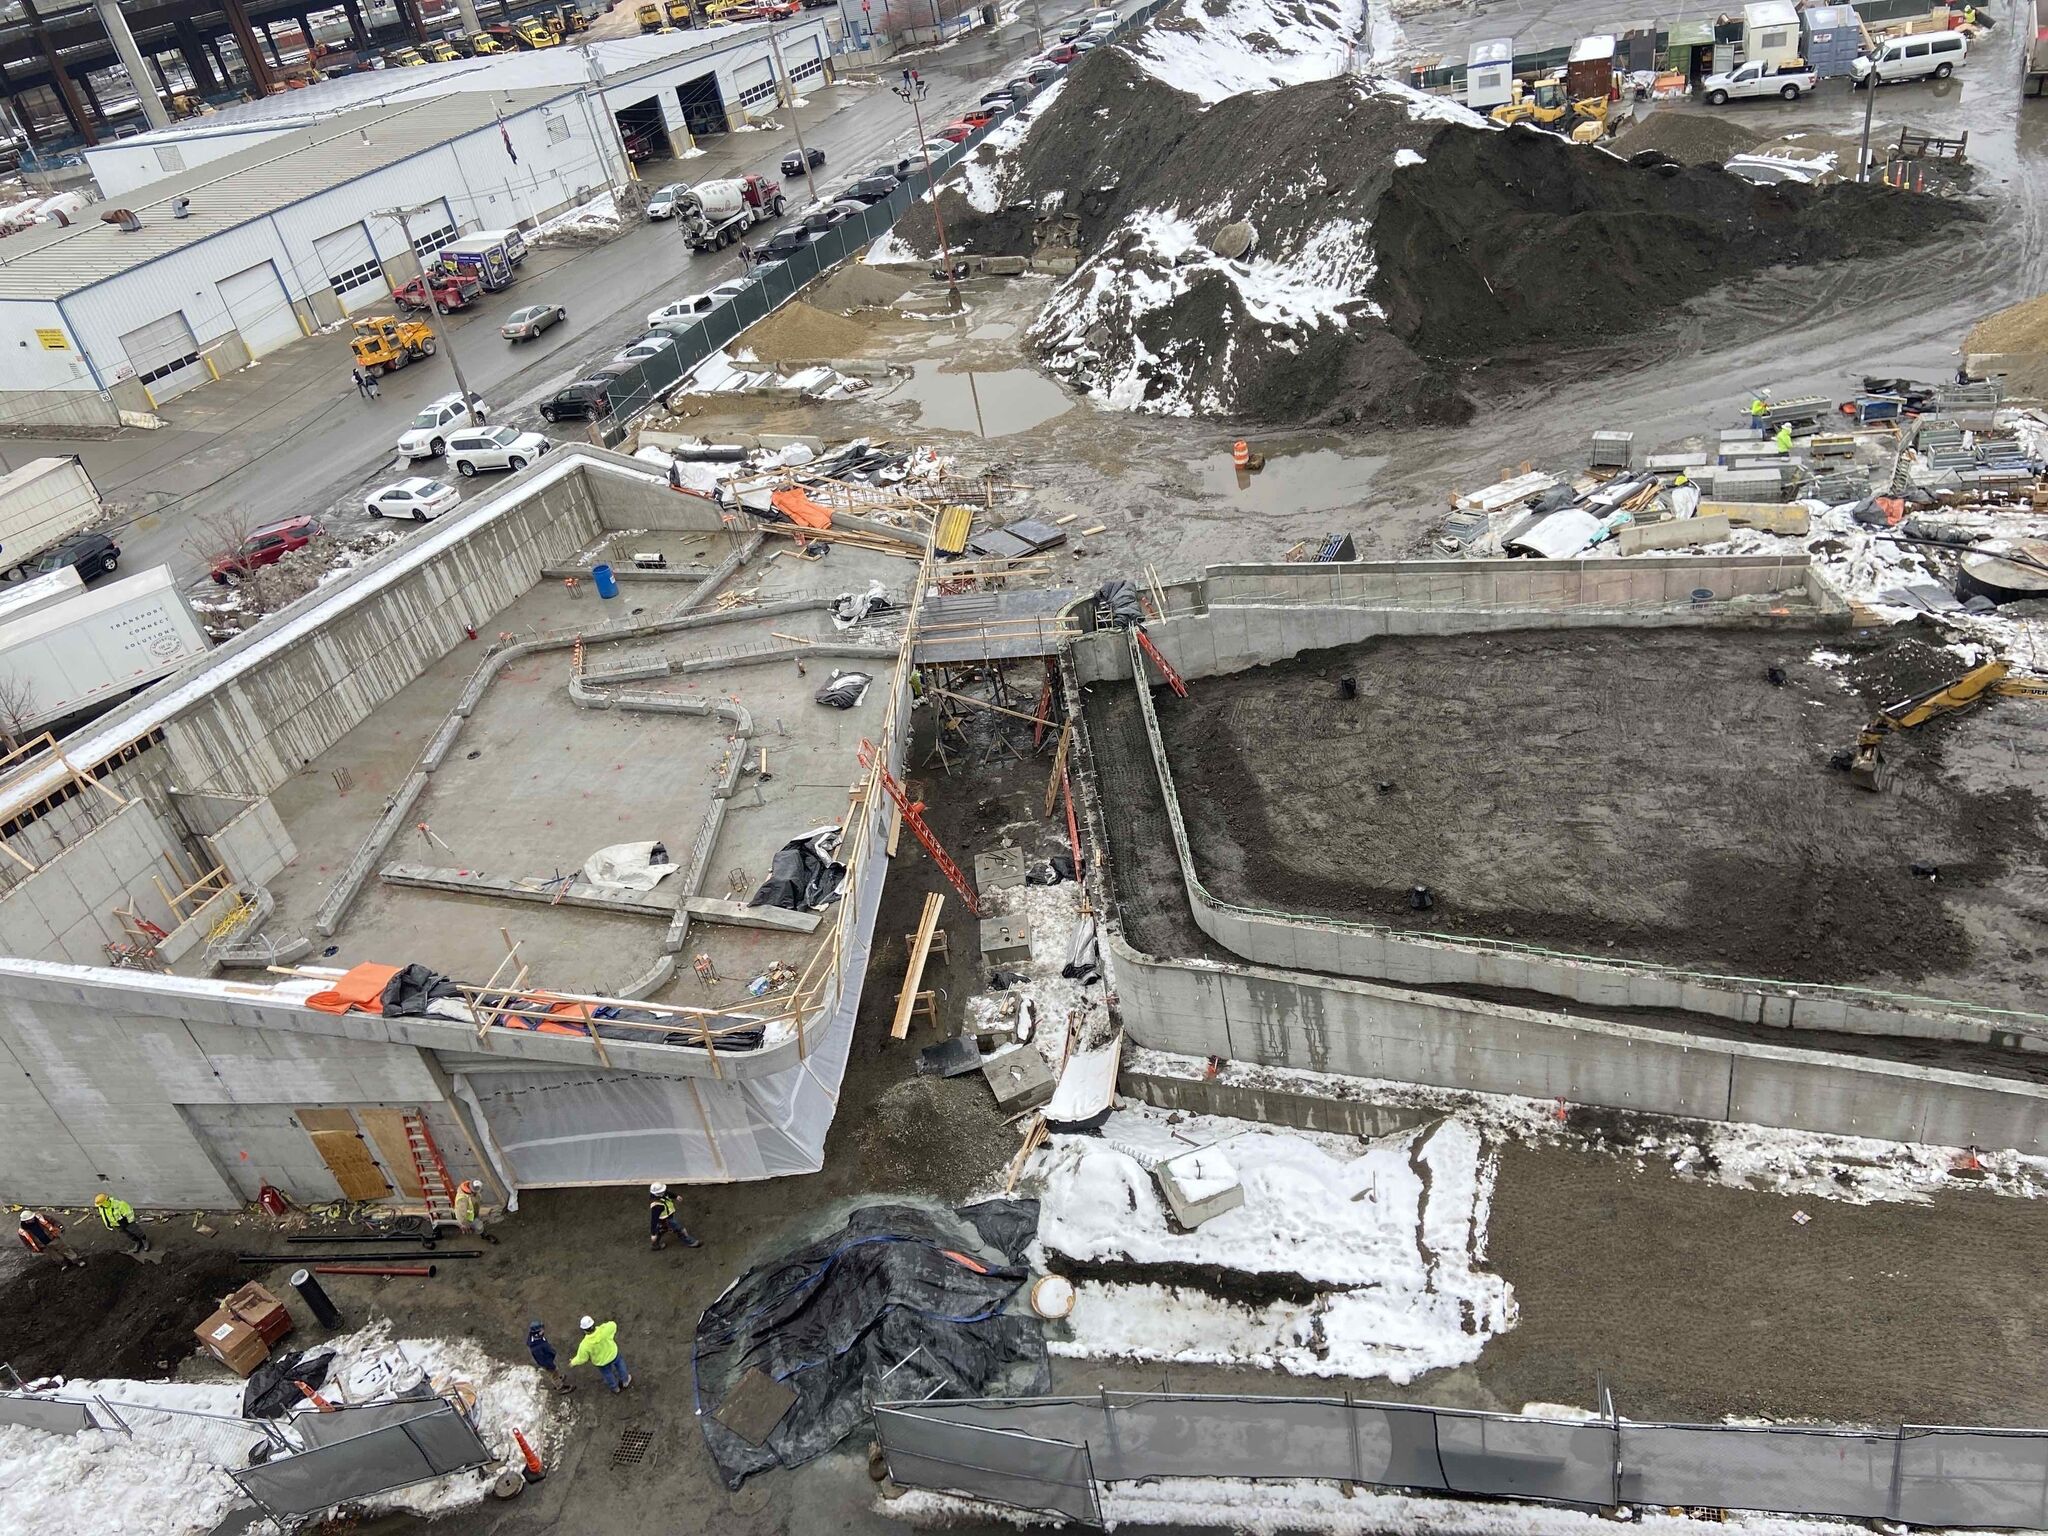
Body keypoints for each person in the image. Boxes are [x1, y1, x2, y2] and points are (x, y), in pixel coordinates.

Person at [571, 1315, 631, 1392]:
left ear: (584, 1330)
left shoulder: (584, 1345)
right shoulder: (604, 1330)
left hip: (601, 1362)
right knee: (620, 1366)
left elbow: (582, 1358)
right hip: (613, 1354)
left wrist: (573, 1362)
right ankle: (625, 1380)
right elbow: (613, 1325)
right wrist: (602, 1327)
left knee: (607, 1374)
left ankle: (615, 1388)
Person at [18, 1211, 83, 1269]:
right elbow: (26, 1243)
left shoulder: (40, 1217)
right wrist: (33, 1249)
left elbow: (52, 1221)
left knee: (65, 1250)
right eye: (30, 1219)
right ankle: (64, 1264)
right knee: (56, 1257)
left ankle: (76, 1260)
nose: (32, 1219)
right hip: (43, 1247)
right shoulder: (22, 1232)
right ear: (25, 1221)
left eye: (32, 1217)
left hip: (52, 1239)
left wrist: (59, 1226)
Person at [526, 1321, 575, 1393]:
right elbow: (542, 1360)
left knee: (556, 1371)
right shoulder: (536, 1348)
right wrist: (550, 1365)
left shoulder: (536, 1337)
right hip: (547, 1363)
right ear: (537, 1332)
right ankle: (560, 1387)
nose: (543, 1330)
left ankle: (558, 1378)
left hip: (548, 1358)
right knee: (554, 1373)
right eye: (541, 1329)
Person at [648, 1183, 699, 1251]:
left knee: (661, 1230)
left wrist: (676, 1196)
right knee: (680, 1229)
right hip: (666, 1219)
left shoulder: (662, 1194)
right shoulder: (657, 1206)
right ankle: (691, 1242)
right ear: (658, 1193)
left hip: (666, 1218)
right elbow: (654, 1220)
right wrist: (653, 1233)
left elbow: (668, 1193)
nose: (665, 1191)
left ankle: (655, 1244)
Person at [454, 1179, 500, 1245]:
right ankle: (484, 1235)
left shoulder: (471, 1192)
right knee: (479, 1226)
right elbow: (461, 1214)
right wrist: (465, 1224)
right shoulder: (462, 1200)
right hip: (468, 1217)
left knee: (479, 1222)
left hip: (473, 1212)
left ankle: (479, 1230)